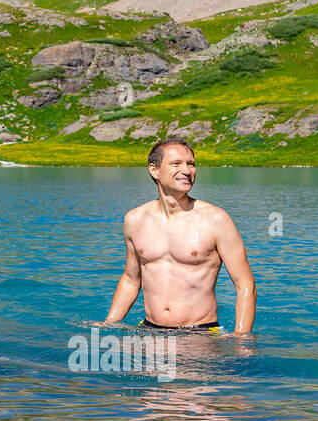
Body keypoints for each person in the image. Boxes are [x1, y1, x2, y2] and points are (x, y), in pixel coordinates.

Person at [102, 136, 255, 333]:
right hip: (149, 330)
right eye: (176, 163)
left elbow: (245, 283)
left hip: (199, 333)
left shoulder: (216, 220)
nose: (187, 170)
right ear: (154, 170)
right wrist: (108, 324)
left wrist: (241, 337)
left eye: (191, 164)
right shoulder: (135, 220)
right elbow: (131, 279)